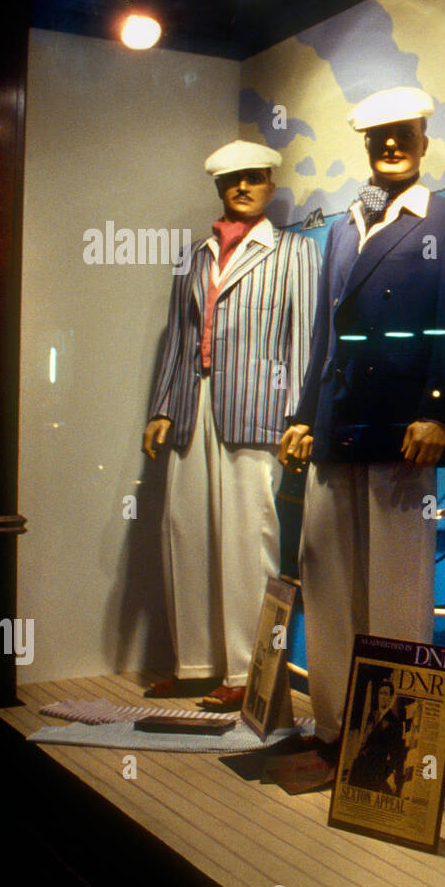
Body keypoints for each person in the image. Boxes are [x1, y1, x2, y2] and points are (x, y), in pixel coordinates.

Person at [280, 87, 445, 745]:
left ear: (425, 140)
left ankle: (395, 741)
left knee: (398, 597)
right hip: (336, 425)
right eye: (379, 137)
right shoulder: (343, 228)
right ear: (366, 146)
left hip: (404, 433)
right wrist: (302, 414)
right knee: (327, 579)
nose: (392, 146)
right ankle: (332, 730)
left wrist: (441, 411)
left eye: (404, 133)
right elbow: (324, 332)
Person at [143, 141, 320, 710]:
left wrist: (301, 416)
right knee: (186, 530)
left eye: (254, 178)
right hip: (195, 406)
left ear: (270, 184)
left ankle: (249, 672)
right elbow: (177, 337)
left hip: (258, 412)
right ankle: (194, 663)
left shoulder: (294, 252)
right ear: (219, 188)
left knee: (250, 538)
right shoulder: (194, 256)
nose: (242, 187)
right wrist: (162, 408)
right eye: (231, 180)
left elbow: (308, 340)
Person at [347, 681, 408, 795]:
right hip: (359, 766)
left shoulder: (395, 723)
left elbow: (396, 755)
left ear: (390, 698)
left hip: (374, 772)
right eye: (381, 693)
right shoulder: (372, 715)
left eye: (386, 694)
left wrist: (383, 775)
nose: (383, 697)